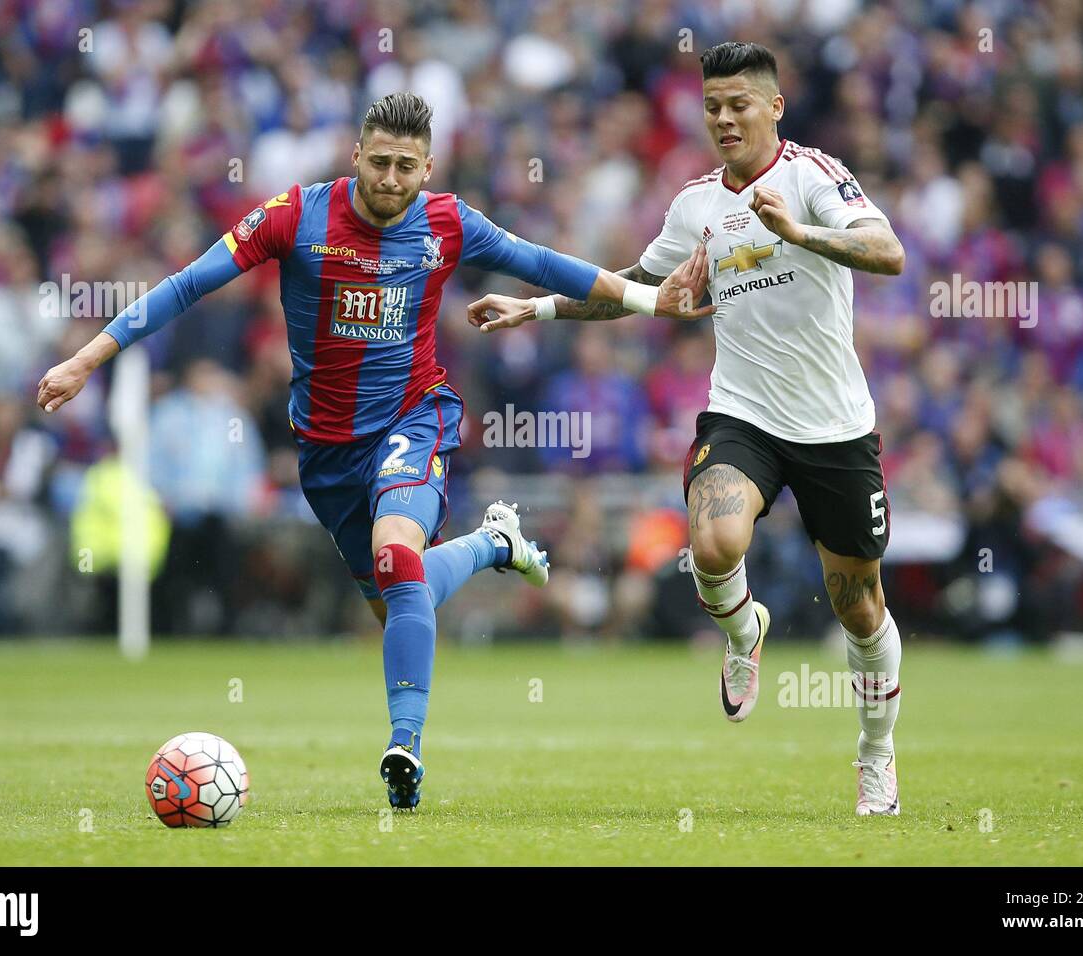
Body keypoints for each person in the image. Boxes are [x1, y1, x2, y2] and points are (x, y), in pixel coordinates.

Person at [35, 91, 711, 810]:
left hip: (413, 421)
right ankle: (492, 546)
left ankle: (405, 749)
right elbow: (189, 284)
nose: (390, 178)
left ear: (428, 168)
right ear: (356, 156)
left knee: (397, 555)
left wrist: (650, 301)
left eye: (406, 167)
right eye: (379, 162)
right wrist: (88, 358)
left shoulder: (450, 223)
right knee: (399, 598)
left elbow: (541, 263)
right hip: (326, 454)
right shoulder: (294, 217)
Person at [468, 43, 908, 816]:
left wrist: (801, 235)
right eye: (712, 107)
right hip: (743, 412)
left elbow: (888, 252)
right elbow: (635, 289)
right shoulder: (696, 203)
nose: (725, 119)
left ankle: (876, 754)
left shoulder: (814, 176)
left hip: (836, 427)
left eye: (740, 104)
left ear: (775, 106)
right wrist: (534, 308)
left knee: (859, 608)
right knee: (711, 544)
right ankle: (743, 636)